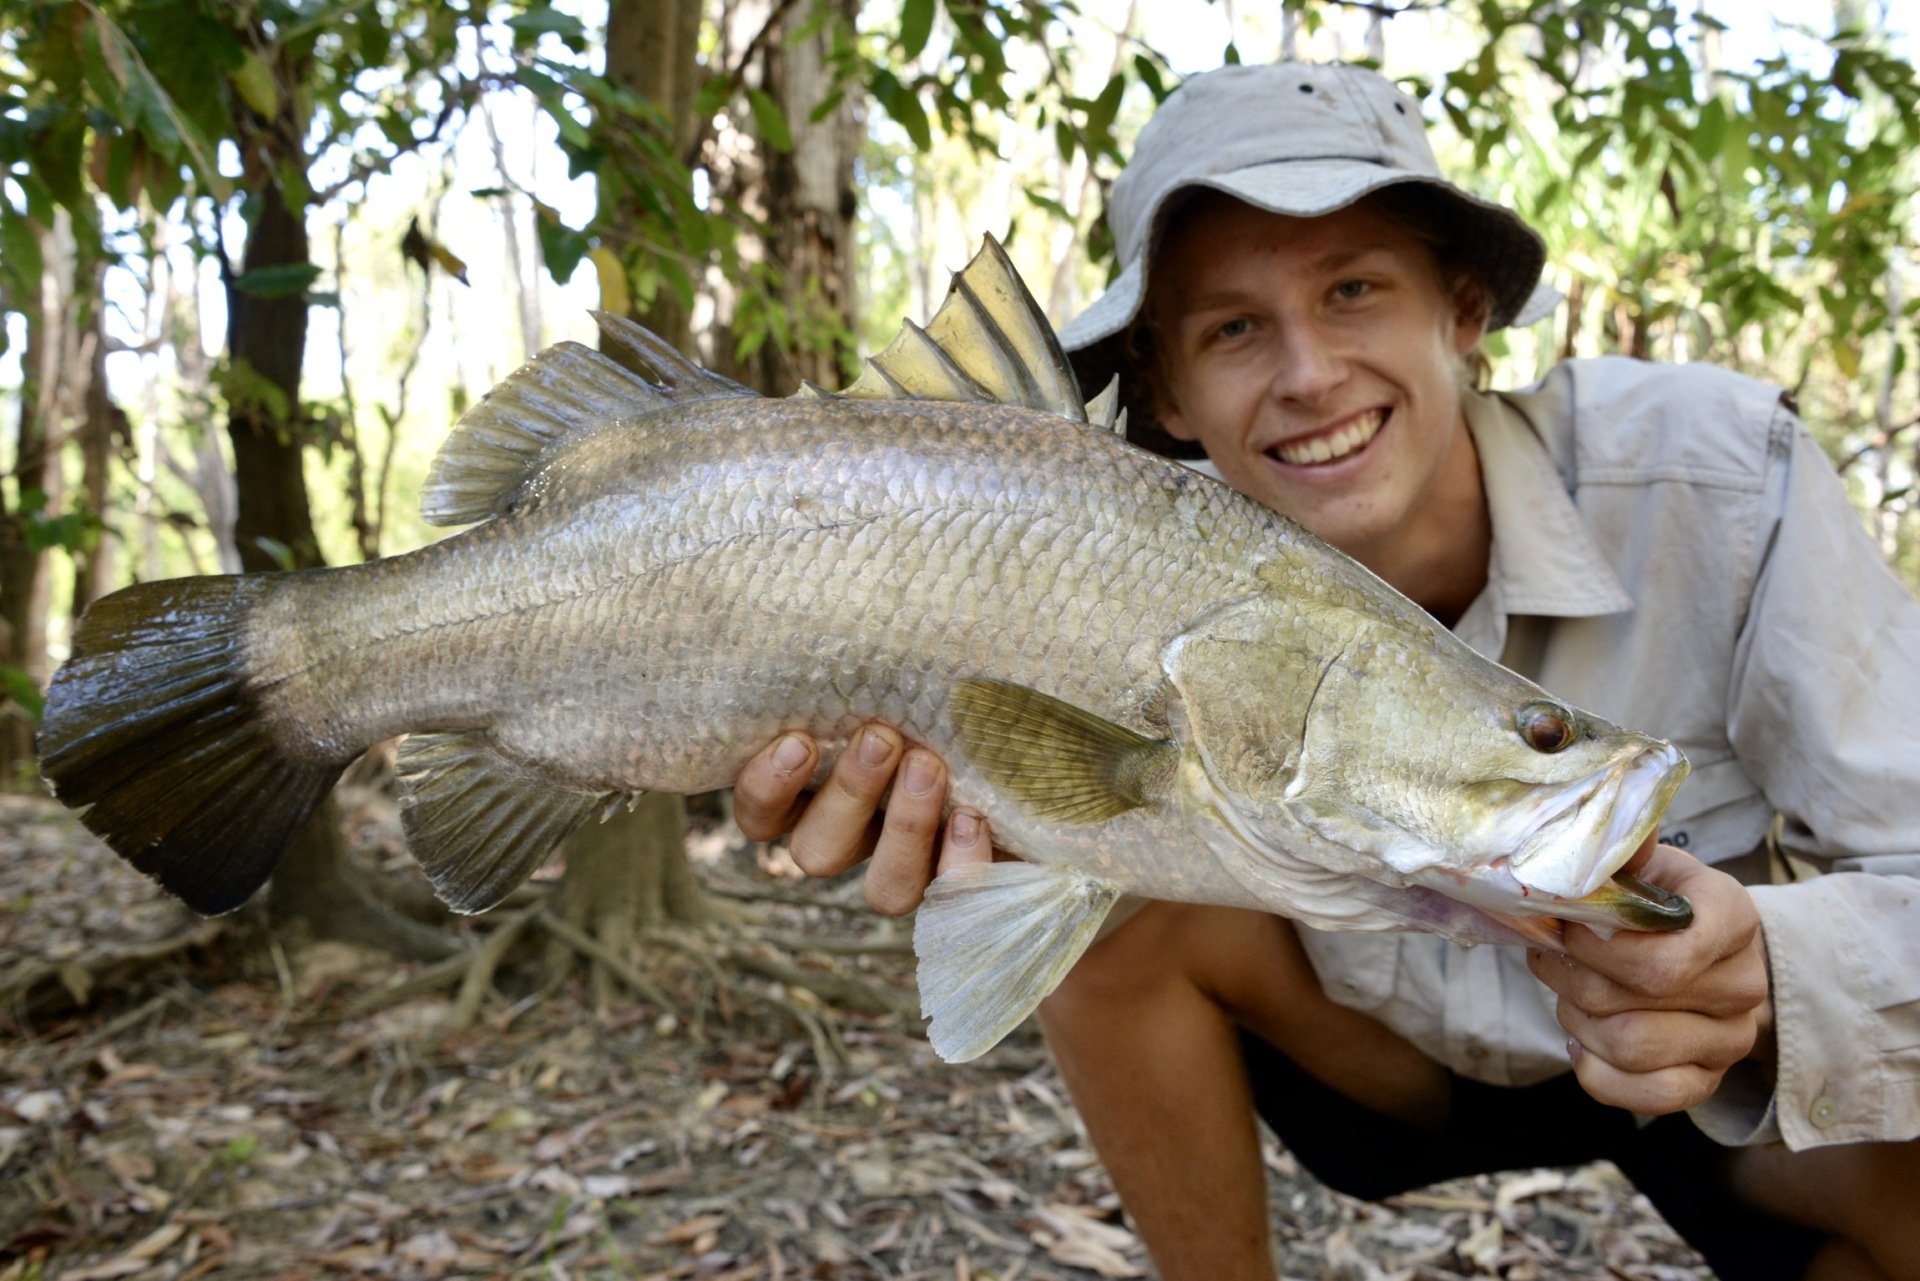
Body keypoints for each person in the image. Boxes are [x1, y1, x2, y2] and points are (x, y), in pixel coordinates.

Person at [732, 63, 1920, 1280]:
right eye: (1233, 328)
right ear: (1166, 394)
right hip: (1375, 1064)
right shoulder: (1086, 552)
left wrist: (1767, 974)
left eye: (1353, 290)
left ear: (1461, 311)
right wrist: (907, 796)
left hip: (1704, 1077)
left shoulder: (1720, 481)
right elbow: (959, 771)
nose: (1308, 375)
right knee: (1090, 883)